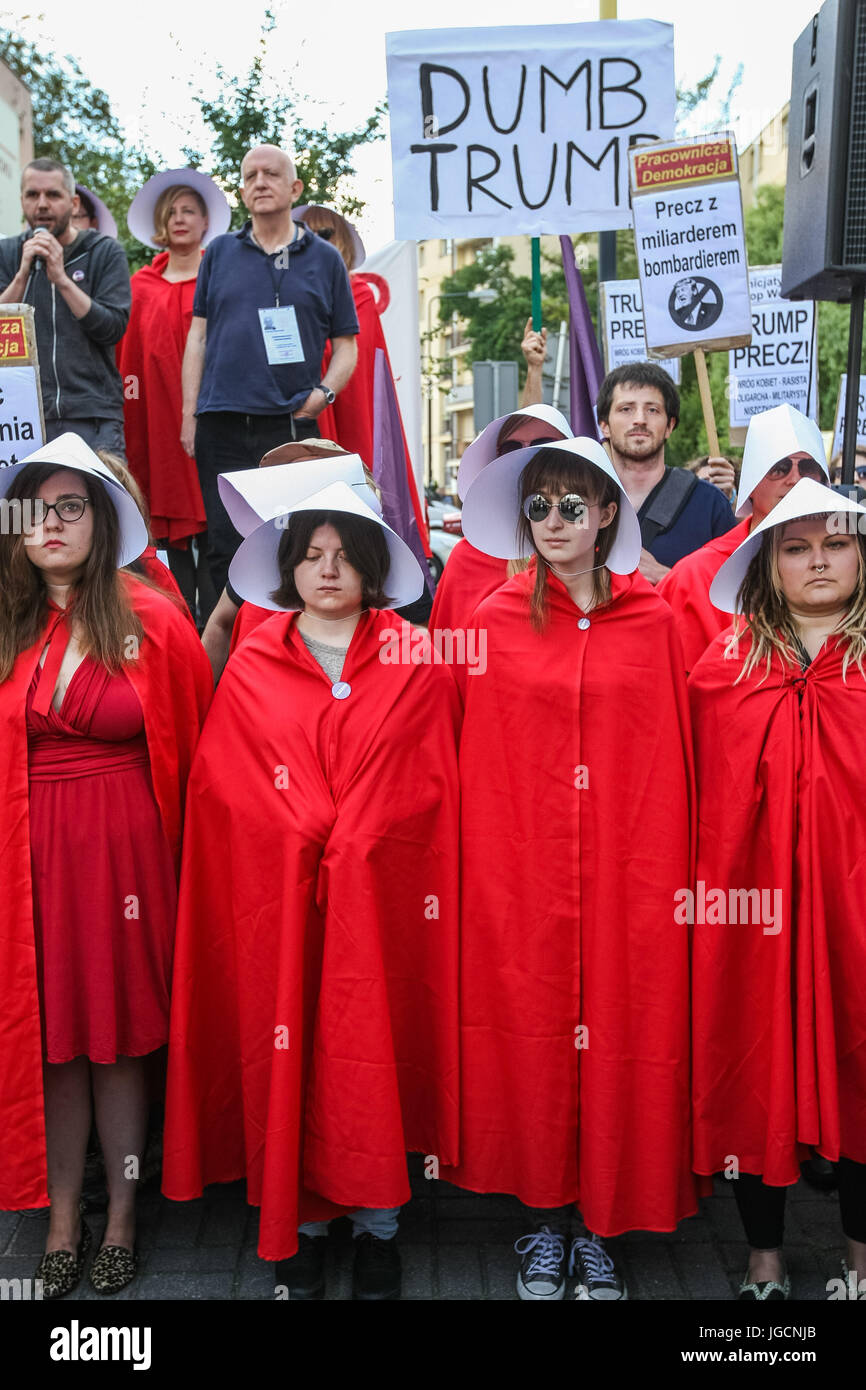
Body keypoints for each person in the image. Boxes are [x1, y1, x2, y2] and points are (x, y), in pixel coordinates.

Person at [162, 481, 460, 1301]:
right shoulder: (255, 659)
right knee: (287, 1039)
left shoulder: (414, 655)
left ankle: (376, 1227)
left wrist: (360, 832)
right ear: (288, 569)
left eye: (344, 556)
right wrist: (295, 826)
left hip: (380, 901)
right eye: (310, 556)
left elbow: (430, 776)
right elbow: (224, 784)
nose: (327, 570)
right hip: (281, 899)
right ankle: (299, 1219)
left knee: (369, 1047)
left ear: (371, 569)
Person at [439, 437, 696, 1300]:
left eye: (572, 505)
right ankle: (547, 1222)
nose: (554, 521)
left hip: (631, 871)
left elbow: (679, 751)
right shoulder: (490, 619)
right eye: (539, 506)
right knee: (535, 1041)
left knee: (625, 1037)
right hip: (520, 872)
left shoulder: (656, 619)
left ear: (608, 514)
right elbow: (456, 745)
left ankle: (602, 1225)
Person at [0, 433, 212, 1298]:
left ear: (102, 521)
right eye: (35, 510)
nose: (51, 524)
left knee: (121, 1039)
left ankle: (122, 1216)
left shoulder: (154, 618)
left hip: (127, 856)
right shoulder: (5, 622)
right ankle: (59, 1220)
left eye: (71, 508)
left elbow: (201, 754)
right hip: (30, 856)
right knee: (51, 1040)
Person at [690, 477, 866, 1299]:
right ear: (769, 567)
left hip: (855, 916)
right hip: (750, 917)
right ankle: (762, 1252)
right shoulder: (723, 670)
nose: (819, 560)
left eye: (835, 543)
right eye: (797, 547)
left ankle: (859, 1251)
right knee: (751, 1064)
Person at [180, 145, 359, 595]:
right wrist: (190, 413)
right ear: (242, 191)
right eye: (250, 175)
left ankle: (286, 653)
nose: (260, 182)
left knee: (293, 544)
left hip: (289, 426)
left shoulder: (325, 259)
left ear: (294, 187)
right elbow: (197, 338)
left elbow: (346, 348)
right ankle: (229, 660)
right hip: (219, 425)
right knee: (223, 547)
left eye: (271, 174)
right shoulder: (218, 253)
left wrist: (321, 397)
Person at [119, 169, 231, 622]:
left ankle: (220, 638)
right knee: (168, 539)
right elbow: (127, 360)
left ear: (206, 222)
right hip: (158, 425)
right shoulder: (139, 286)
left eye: (189, 210)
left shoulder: (223, 275)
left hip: (214, 421)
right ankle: (180, 631)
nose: (180, 219)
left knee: (219, 530)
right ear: (160, 226)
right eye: (172, 213)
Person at [659, 405, 828, 673]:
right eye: (779, 468)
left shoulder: (846, 568)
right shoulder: (696, 576)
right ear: (751, 482)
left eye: (808, 467)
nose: (795, 479)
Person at [0, 157, 130, 454]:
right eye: (33, 195)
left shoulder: (103, 252)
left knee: (95, 502)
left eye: (53, 195)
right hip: (23, 419)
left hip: (93, 415)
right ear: (22, 200)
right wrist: (21, 276)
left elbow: (112, 328)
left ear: (72, 203)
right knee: (27, 503)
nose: (42, 204)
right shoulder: (6, 253)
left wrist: (61, 279)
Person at [428, 404, 571, 637]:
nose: (525, 456)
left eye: (544, 445)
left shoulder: (593, 555)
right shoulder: (467, 558)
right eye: (510, 448)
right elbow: (449, 660)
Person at [596, 363, 737, 585]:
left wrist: (666, 577)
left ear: (670, 425)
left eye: (652, 410)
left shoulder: (709, 503)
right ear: (604, 425)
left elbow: (735, 596)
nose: (640, 419)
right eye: (626, 409)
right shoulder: (581, 502)